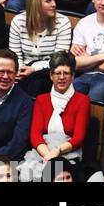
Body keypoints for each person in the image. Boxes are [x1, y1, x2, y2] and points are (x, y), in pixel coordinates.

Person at [22, 51, 89, 179]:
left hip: (68, 153)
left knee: (53, 175)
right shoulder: (41, 100)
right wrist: (48, 156)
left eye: (66, 73)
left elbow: (78, 138)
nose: (62, 77)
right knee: (26, 175)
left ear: (73, 76)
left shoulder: (82, 100)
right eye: (58, 73)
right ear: (51, 76)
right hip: (43, 152)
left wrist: (57, 151)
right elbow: (35, 135)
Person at [8, 0, 72, 96]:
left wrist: (33, 68)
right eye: (48, 1)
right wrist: (19, 71)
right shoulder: (18, 21)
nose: (54, 4)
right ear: (35, 4)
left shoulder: (62, 22)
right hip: (24, 69)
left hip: (50, 70)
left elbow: (59, 59)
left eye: (54, 0)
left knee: (36, 83)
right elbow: (15, 54)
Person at [0, 49, 32, 160]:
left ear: (16, 73)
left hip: (9, 160)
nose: (5, 76)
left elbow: (19, 140)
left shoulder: (25, 102)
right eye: (1, 71)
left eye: (10, 72)